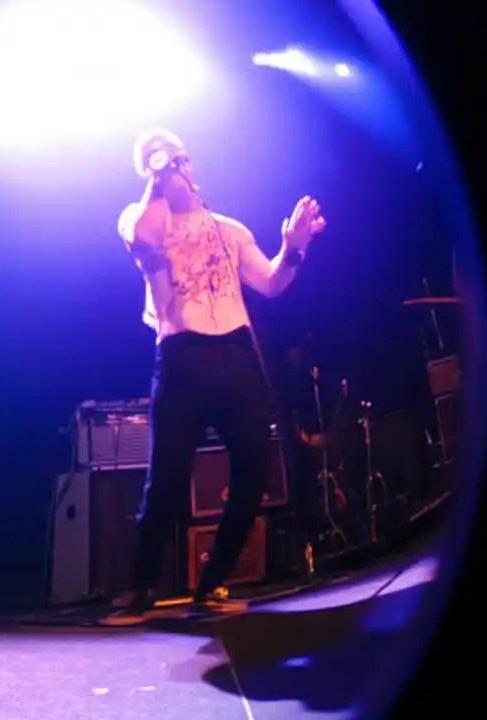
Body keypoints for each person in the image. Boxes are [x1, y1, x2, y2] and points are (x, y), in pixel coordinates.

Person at [100, 129, 326, 626]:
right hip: (181, 354)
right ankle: (139, 589)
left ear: (193, 165)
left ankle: (213, 583)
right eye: (160, 162)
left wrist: (294, 248)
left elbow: (270, 284)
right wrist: (157, 182)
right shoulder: (139, 217)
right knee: (167, 479)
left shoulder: (228, 228)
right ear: (149, 172)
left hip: (237, 352)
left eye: (179, 158)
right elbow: (145, 240)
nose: (174, 167)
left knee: (253, 470)